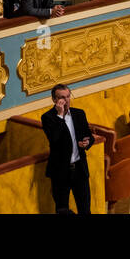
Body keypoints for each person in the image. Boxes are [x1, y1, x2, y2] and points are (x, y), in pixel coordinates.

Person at [41, 84, 94, 214]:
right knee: (62, 210)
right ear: (54, 100)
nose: (66, 100)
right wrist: (60, 116)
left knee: (85, 210)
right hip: (60, 173)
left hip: (79, 170)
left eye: (68, 96)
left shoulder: (79, 114)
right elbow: (54, 138)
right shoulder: (48, 118)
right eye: (62, 97)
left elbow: (89, 135)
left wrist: (87, 142)